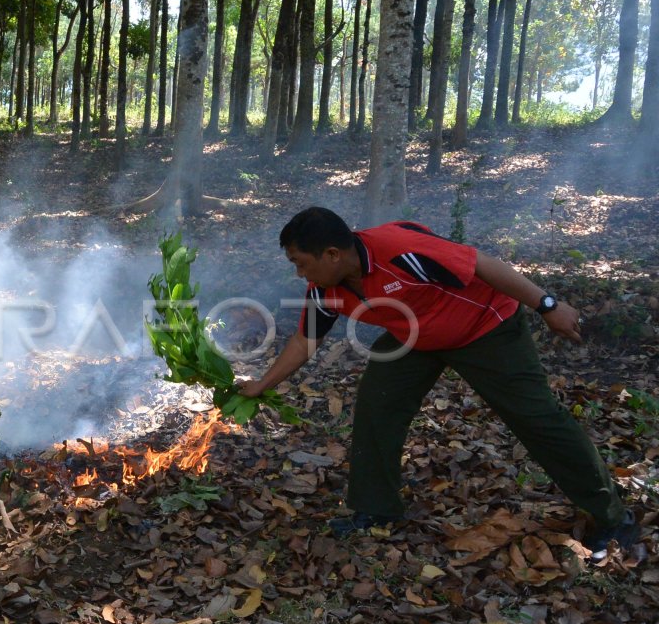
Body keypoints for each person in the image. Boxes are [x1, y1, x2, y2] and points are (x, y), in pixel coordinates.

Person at [237, 206, 639, 560]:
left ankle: (613, 516)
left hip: (485, 327)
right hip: (414, 336)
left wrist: (547, 305)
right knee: (378, 406)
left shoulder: (399, 250)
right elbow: (305, 339)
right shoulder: (326, 288)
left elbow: (482, 264)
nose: (299, 272)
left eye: (301, 262)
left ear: (332, 253)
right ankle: (377, 507)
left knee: (538, 419)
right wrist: (263, 383)